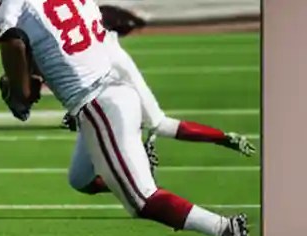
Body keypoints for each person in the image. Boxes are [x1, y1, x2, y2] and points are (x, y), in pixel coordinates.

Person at [0, 0, 250, 236]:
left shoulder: (6, 8)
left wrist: (18, 93)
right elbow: (51, 46)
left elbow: (14, 42)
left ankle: (223, 228)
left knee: (142, 201)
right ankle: (129, 166)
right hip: (113, 89)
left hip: (97, 104)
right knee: (81, 178)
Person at [95, 4, 255, 179]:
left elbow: (160, 124)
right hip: (92, 94)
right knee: (79, 179)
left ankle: (134, 180)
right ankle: (132, 179)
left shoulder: (117, 61)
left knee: (157, 125)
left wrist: (221, 138)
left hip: (107, 90)